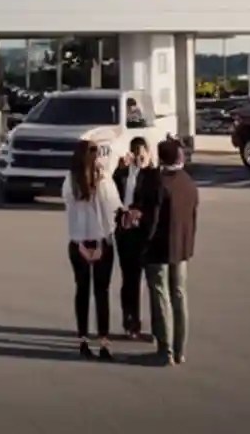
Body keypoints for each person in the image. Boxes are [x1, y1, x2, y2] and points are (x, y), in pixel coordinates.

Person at [135, 138, 200, 366]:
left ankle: (165, 350)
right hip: (181, 249)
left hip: (158, 250)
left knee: (160, 295)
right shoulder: (188, 182)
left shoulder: (158, 182)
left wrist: (142, 243)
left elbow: (150, 220)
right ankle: (180, 350)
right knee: (179, 296)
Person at [62, 139, 124, 361]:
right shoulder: (104, 180)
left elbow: (70, 212)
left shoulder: (70, 181)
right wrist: (100, 242)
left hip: (77, 243)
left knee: (82, 291)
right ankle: (104, 342)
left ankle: (83, 340)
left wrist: (80, 243)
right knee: (102, 292)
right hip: (101, 243)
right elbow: (112, 210)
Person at [111, 137, 154, 341]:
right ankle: (129, 321)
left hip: (141, 232)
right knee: (128, 278)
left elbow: (153, 203)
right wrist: (119, 170)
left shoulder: (151, 176)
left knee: (143, 279)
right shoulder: (122, 174)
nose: (138, 156)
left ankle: (144, 324)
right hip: (124, 231)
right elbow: (112, 194)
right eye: (134, 152)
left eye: (141, 152)